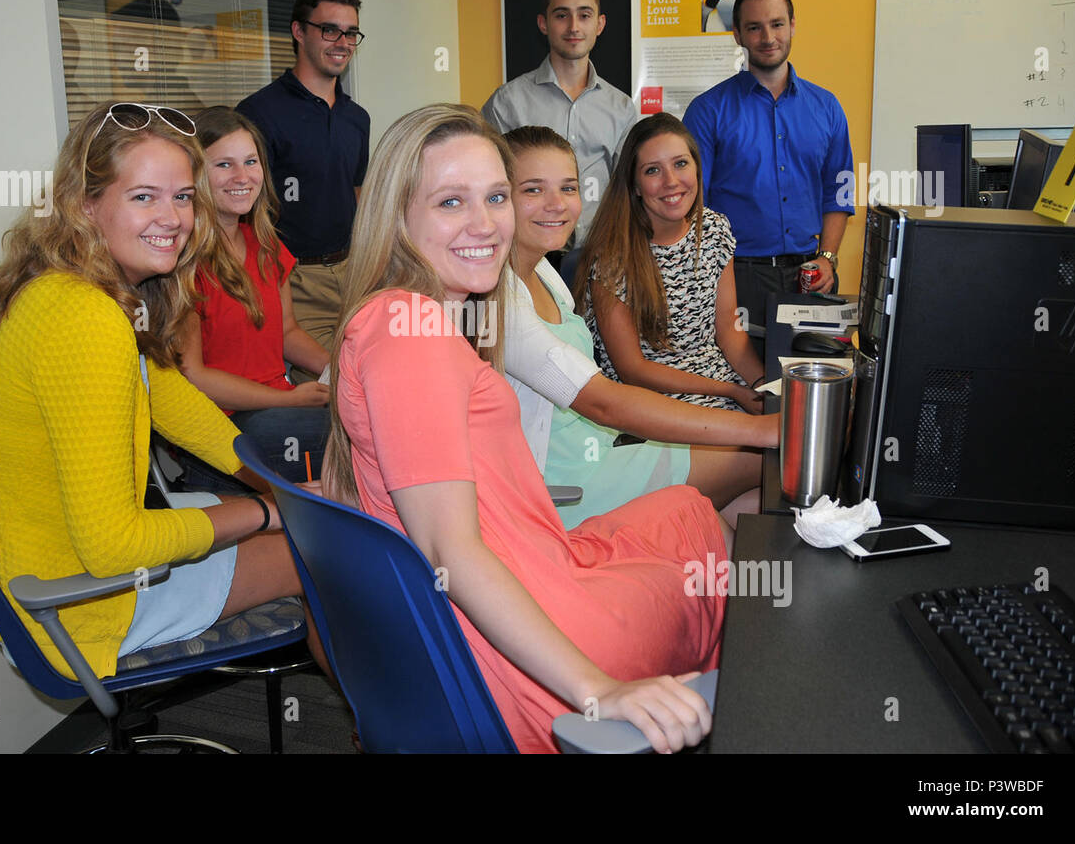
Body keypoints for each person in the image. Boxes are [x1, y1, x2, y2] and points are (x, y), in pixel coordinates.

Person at [322, 103, 724, 754]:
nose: (486, 225)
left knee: (685, 508)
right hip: (522, 652)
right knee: (703, 537)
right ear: (397, 216)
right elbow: (450, 549)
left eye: (496, 197)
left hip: (525, 577)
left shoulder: (421, 314)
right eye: (451, 202)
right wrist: (599, 691)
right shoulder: (410, 332)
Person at [0, 102, 306, 680]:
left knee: (299, 522)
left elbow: (174, 400)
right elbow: (115, 547)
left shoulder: (67, 287)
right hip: (80, 602)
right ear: (85, 205)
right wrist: (265, 512)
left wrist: (276, 487)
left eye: (184, 196)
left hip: (54, 567)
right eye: (143, 196)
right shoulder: (83, 319)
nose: (173, 218)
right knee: (330, 554)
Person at [502, 125, 766, 527]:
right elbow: (605, 399)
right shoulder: (501, 303)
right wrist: (761, 430)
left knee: (756, 508)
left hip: (601, 450)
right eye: (534, 190)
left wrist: (766, 393)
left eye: (568, 188)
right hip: (571, 487)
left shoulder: (542, 271)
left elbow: (729, 331)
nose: (556, 204)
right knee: (764, 463)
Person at [682, 0, 854, 336]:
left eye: (776, 24)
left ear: (792, 26)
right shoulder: (707, 111)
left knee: (806, 380)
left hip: (810, 275)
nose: (767, 37)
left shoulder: (827, 108)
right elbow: (693, 204)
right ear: (737, 34)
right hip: (735, 275)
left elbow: (838, 192)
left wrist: (828, 258)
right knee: (743, 384)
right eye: (754, 27)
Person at [174, 106, 331, 486]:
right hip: (223, 421)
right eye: (224, 165)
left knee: (367, 409)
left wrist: (343, 369)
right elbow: (192, 375)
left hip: (278, 406)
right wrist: (289, 400)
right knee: (361, 432)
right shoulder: (181, 258)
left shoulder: (263, 243)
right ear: (194, 175)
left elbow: (288, 334)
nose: (242, 177)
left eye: (250, 161)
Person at [576, 113, 766, 413]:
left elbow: (729, 330)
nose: (671, 181)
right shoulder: (612, 258)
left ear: (697, 168)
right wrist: (731, 390)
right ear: (635, 185)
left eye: (680, 164)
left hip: (719, 382)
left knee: (789, 436)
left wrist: (763, 387)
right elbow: (632, 370)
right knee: (753, 451)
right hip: (651, 398)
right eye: (653, 170)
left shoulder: (714, 229)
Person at [236, 0, 370, 374]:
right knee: (322, 392)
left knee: (363, 382)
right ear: (299, 31)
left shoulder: (356, 118)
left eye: (350, 33)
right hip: (293, 279)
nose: (342, 42)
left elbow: (356, 194)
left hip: (352, 274)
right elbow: (243, 209)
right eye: (329, 30)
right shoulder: (259, 113)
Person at [481, 0, 636, 240]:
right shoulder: (507, 103)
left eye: (584, 15)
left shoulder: (621, 108)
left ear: (600, 24)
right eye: (562, 15)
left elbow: (628, 189)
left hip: (598, 252)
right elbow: (487, 182)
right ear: (544, 23)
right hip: (528, 253)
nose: (574, 26)